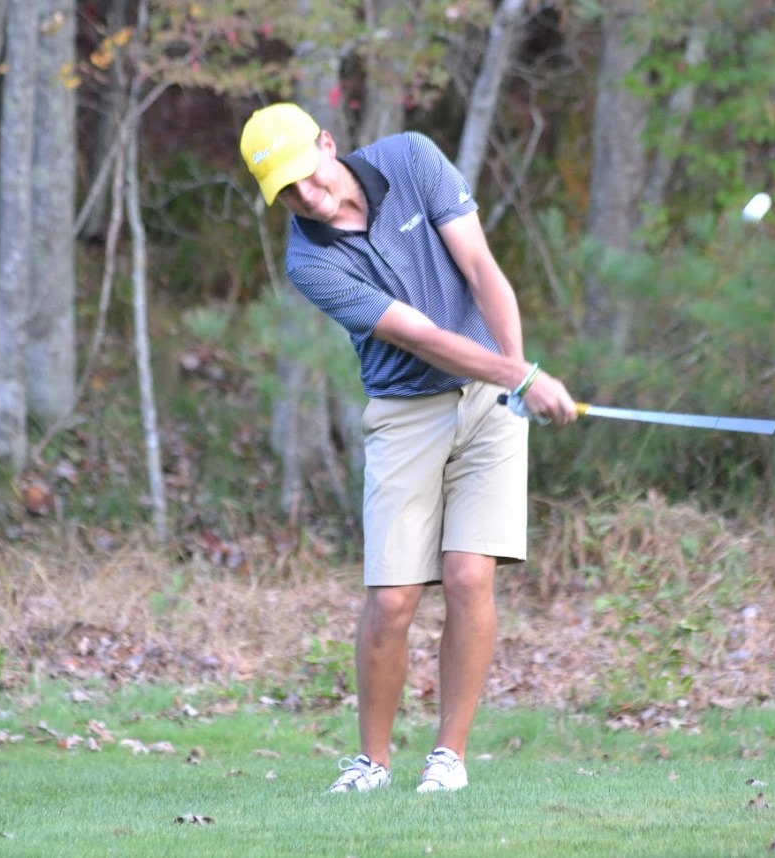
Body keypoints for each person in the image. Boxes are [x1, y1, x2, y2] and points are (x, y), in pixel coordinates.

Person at [239, 103, 578, 793]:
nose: (309, 196)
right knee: (393, 600)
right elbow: (418, 334)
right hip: (406, 412)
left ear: (327, 143)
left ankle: (448, 758)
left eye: (309, 174)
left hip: (490, 394)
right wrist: (523, 376)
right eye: (287, 193)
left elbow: (481, 269)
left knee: (468, 576)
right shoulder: (311, 260)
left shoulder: (413, 158)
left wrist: (518, 373)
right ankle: (373, 761)